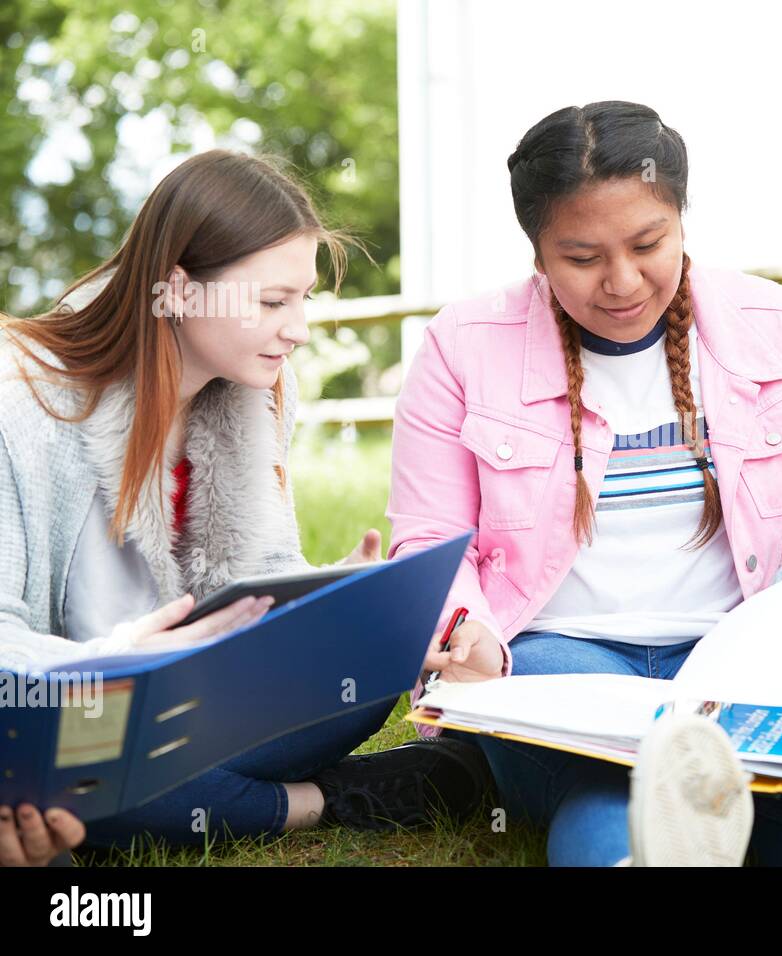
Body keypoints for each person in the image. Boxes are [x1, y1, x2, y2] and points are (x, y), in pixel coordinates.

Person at [388, 100, 782, 866]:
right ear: (537, 253)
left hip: (736, 653)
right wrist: (465, 630)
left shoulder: (770, 322)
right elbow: (431, 537)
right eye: (581, 256)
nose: (622, 281)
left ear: (681, 221)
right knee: (616, 789)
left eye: (647, 243)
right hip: (553, 659)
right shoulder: (462, 346)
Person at [0, 150, 488, 855]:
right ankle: (324, 799)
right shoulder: (25, 402)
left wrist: (336, 601)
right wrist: (125, 654)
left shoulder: (257, 397)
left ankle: (210, 792)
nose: (297, 330)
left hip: (195, 710)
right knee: (91, 786)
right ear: (181, 289)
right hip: (78, 713)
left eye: (302, 300)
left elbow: (252, 591)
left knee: (370, 671)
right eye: (271, 302)